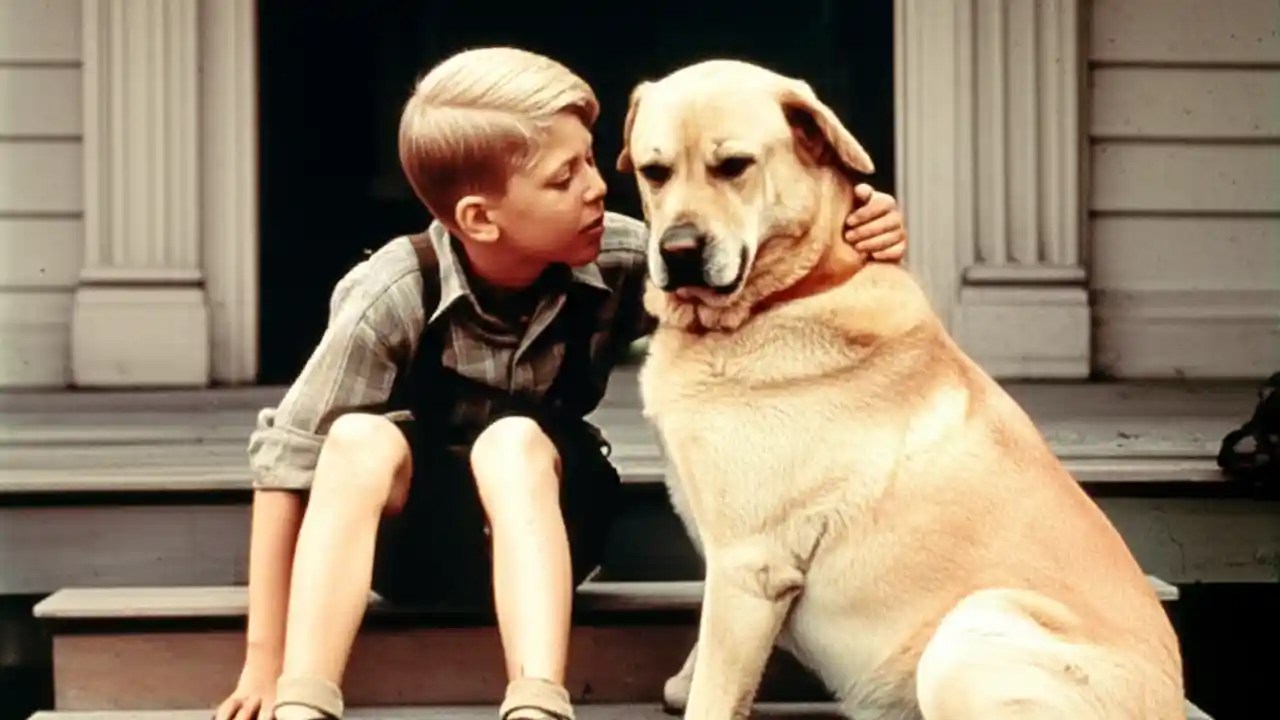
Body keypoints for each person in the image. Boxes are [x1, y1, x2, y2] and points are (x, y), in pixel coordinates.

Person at [214, 46, 909, 720]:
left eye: (592, 158)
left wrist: (858, 226)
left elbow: (762, 273)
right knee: (357, 439)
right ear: (480, 219)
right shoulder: (394, 290)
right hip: (414, 548)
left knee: (512, 441)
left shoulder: (625, 258)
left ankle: (539, 699)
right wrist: (261, 660)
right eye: (564, 175)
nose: (600, 185)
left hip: (550, 524)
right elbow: (285, 462)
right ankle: (305, 700)